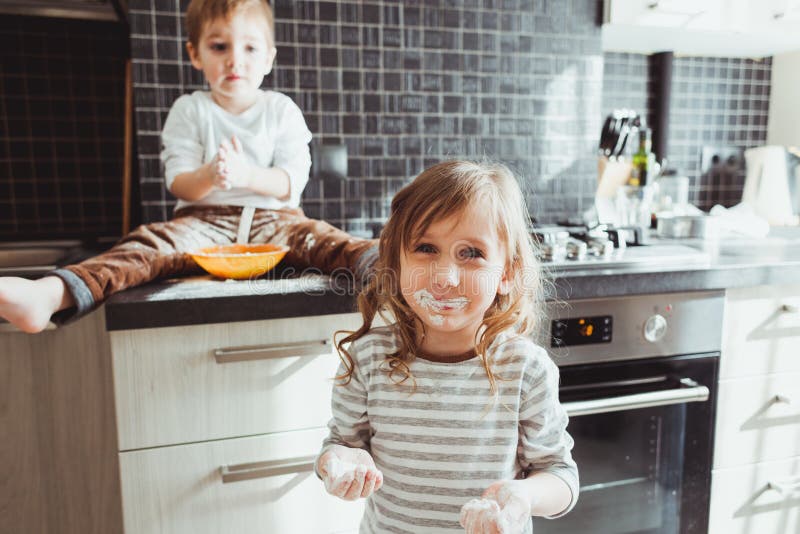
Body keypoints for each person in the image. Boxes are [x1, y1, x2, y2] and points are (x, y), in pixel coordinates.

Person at [0, 0, 376, 334]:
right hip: (202, 221)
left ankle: (391, 268)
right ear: (195, 55)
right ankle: (49, 294)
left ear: (268, 58)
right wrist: (210, 175)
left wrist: (245, 175)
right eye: (219, 46)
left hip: (275, 219)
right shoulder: (189, 110)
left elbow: (291, 181)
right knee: (145, 247)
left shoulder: (281, 110)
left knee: (325, 240)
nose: (234, 59)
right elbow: (180, 184)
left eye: (249, 48)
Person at [315, 160, 578, 533]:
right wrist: (340, 463)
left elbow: (560, 475)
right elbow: (340, 444)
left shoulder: (525, 370)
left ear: (507, 274)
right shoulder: (368, 360)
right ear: (398, 261)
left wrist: (524, 496)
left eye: (470, 253)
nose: (445, 277)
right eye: (426, 248)